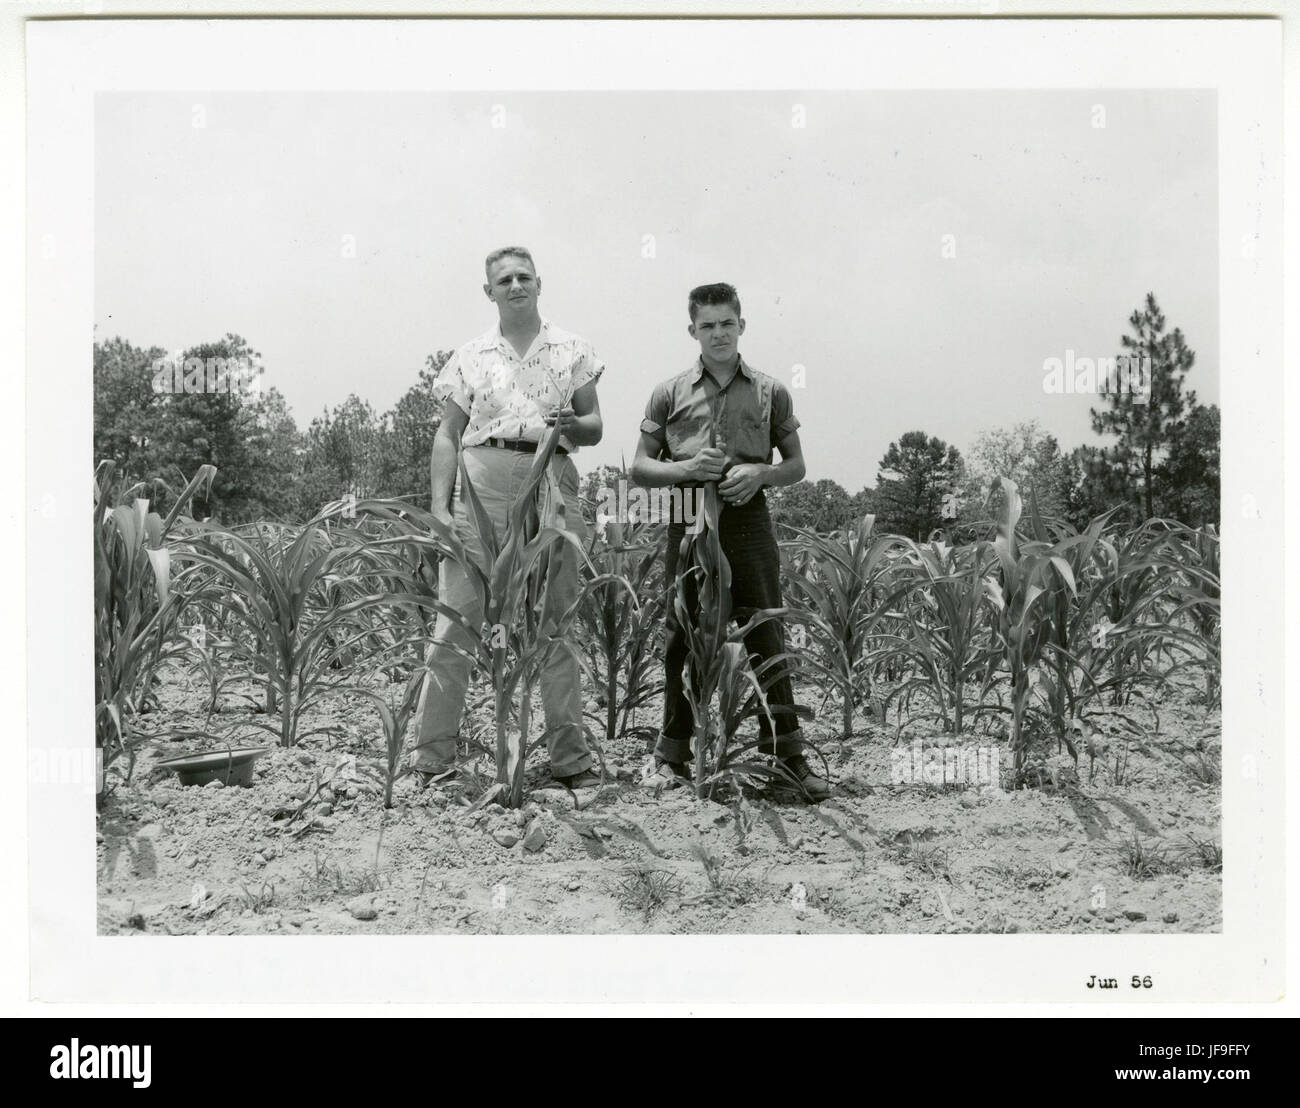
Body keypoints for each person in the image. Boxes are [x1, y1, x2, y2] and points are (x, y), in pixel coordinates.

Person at [411, 246, 602, 790]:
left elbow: (594, 427)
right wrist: (439, 505)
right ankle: (432, 759)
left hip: (550, 475)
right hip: (482, 481)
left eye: (523, 277)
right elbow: (447, 434)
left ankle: (570, 760)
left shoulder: (572, 349)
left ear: (540, 283)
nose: (515, 286)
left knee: (556, 623)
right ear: (488, 291)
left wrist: (572, 423)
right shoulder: (470, 355)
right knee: (457, 621)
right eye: (503, 280)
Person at [631, 282, 831, 801]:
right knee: (683, 634)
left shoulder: (770, 391)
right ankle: (672, 753)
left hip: (747, 516)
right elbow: (639, 467)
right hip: (687, 513)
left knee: (766, 632)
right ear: (691, 330)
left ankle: (786, 759)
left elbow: (797, 466)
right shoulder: (669, 391)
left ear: (742, 325)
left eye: (726, 323)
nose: (717, 334)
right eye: (706, 325)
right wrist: (685, 467)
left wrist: (761, 474)